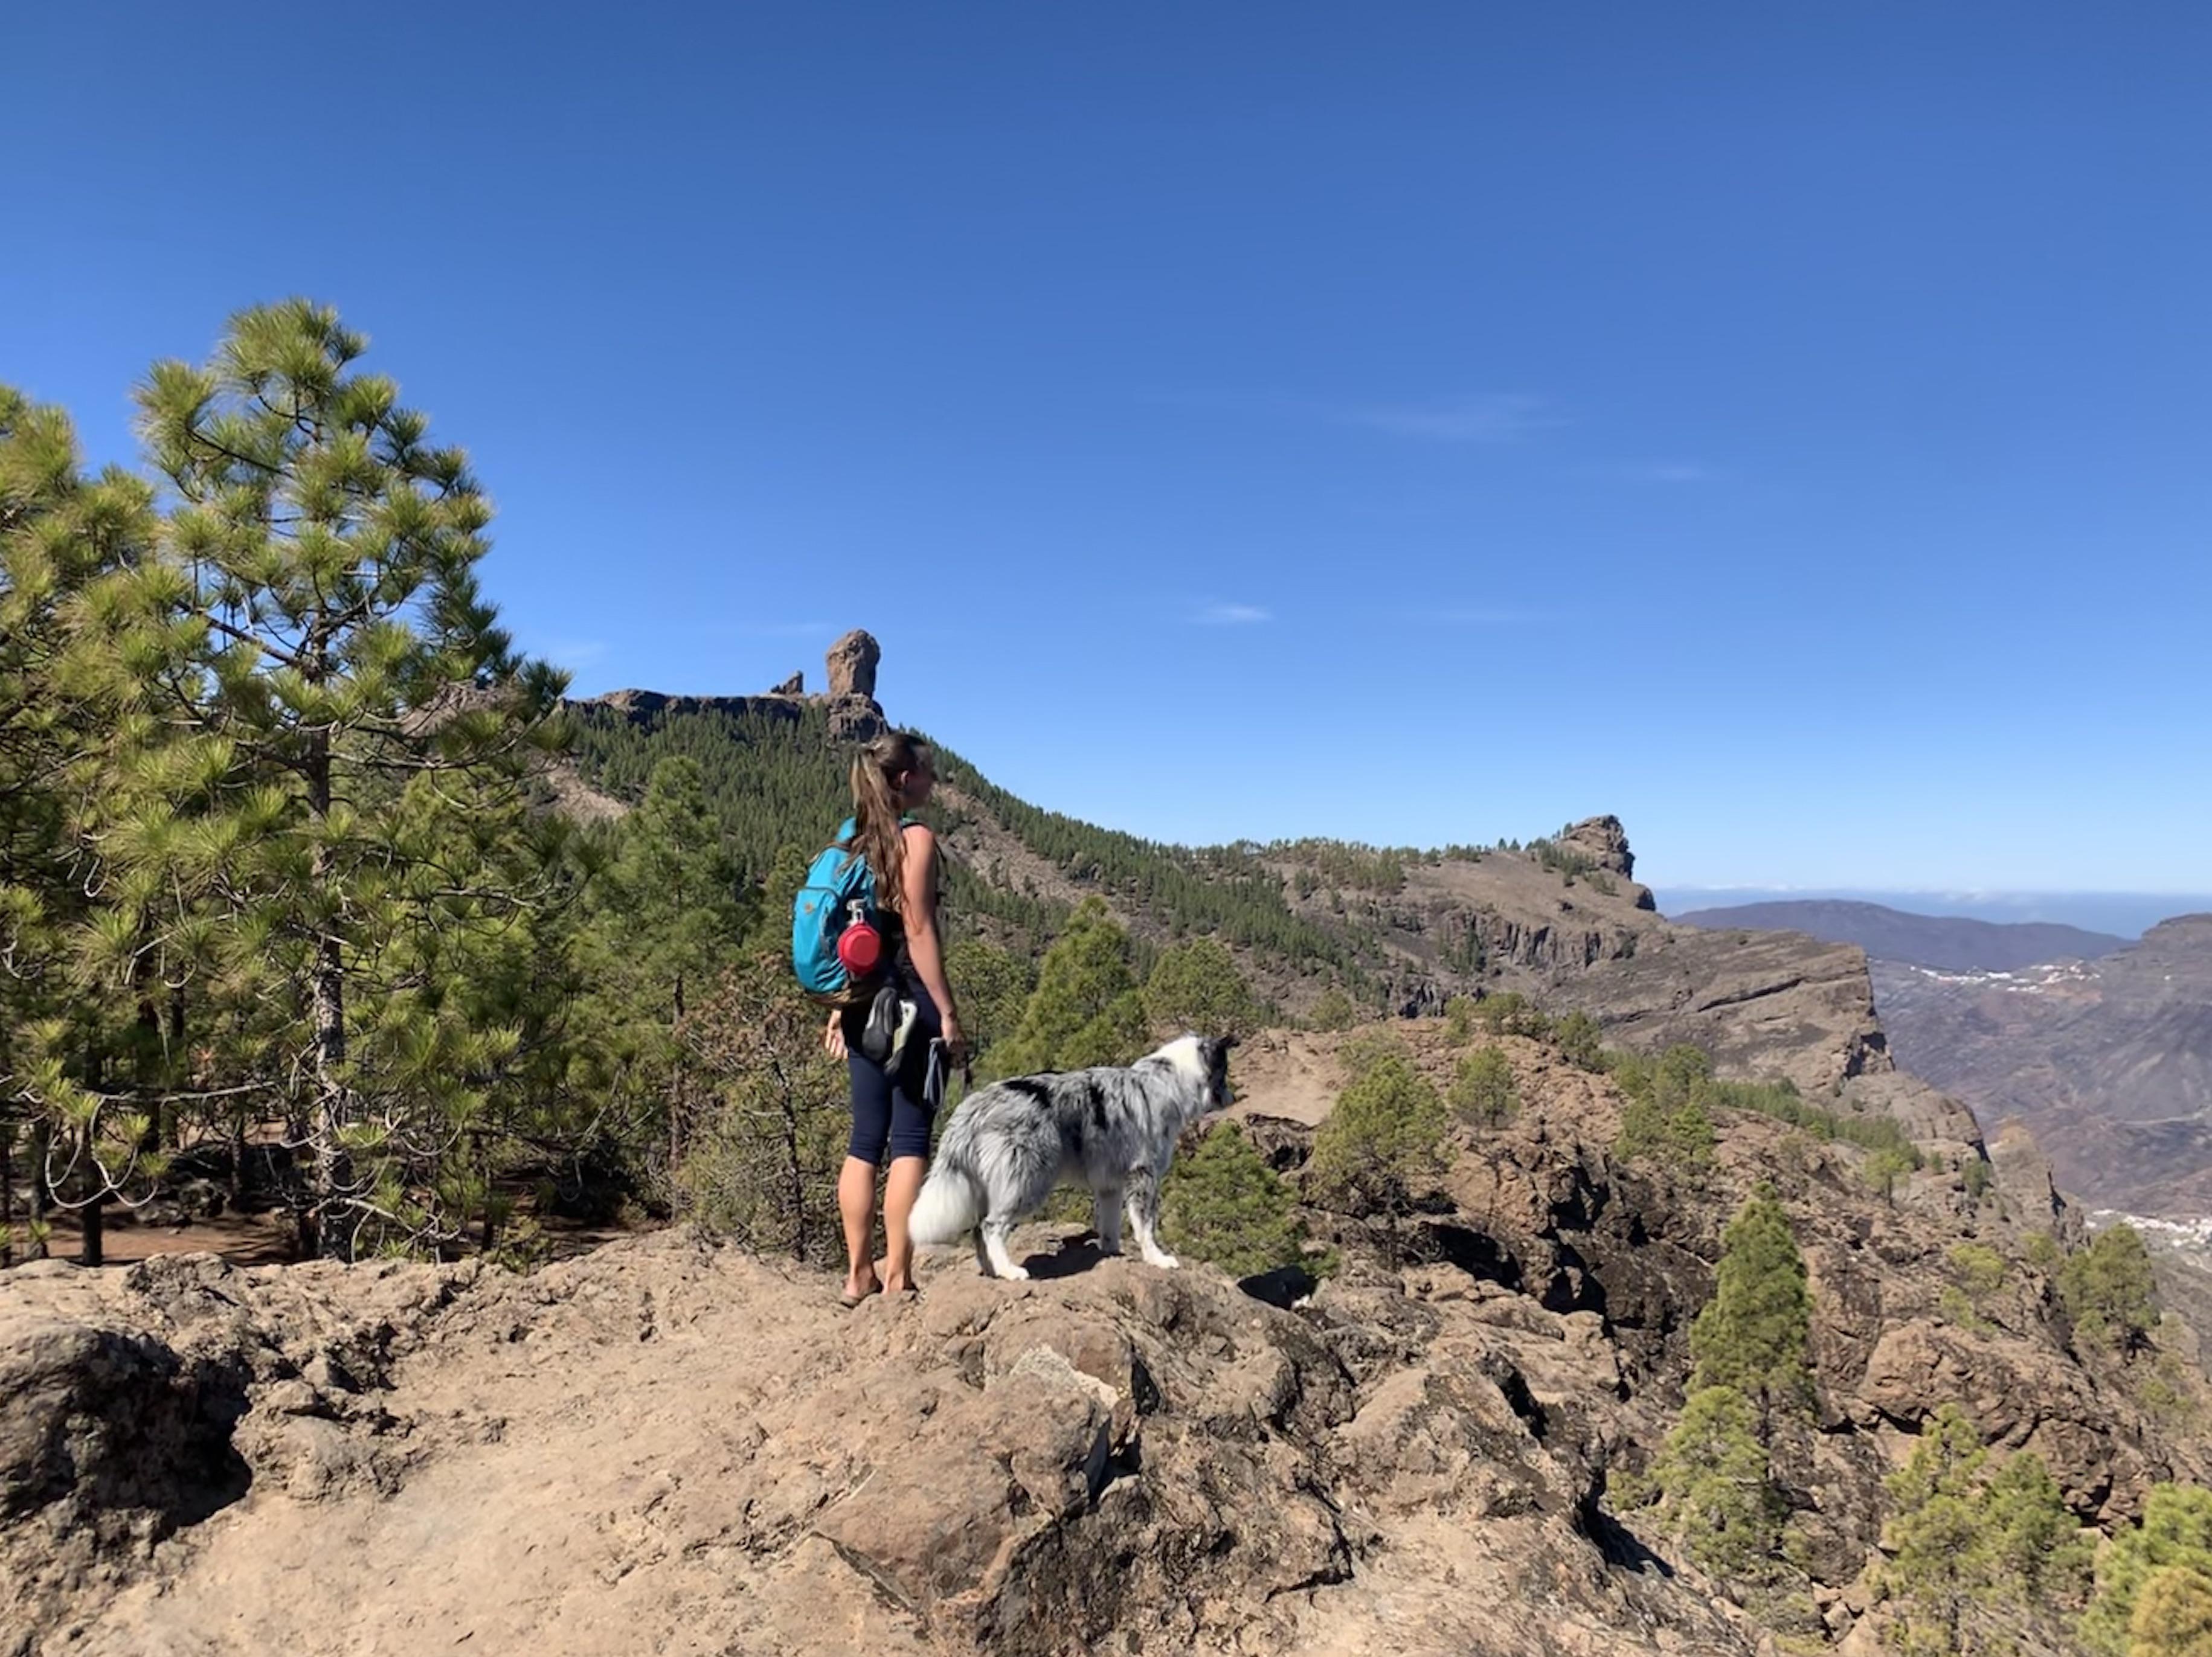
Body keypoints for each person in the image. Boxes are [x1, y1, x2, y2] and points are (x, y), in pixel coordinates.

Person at [823, 729, 965, 1306]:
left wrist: (838, 1010)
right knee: (909, 1141)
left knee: (863, 1143)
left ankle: (857, 1275)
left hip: (860, 1004)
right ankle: (898, 1274)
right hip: (910, 1007)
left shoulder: (848, 838)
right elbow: (918, 930)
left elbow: (848, 935)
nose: (934, 783)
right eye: (929, 773)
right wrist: (949, 1013)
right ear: (906, 780)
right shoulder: (917, 839)